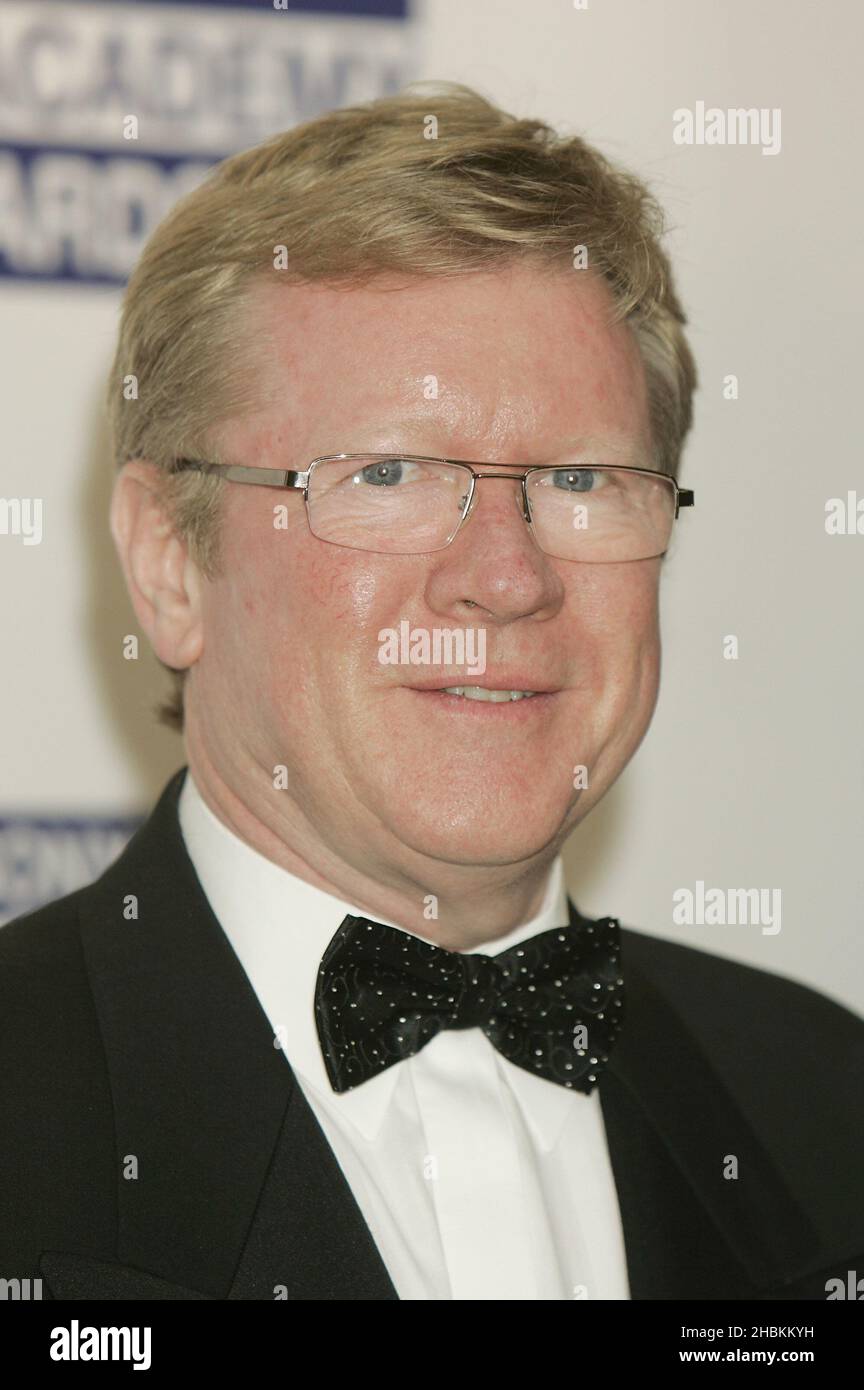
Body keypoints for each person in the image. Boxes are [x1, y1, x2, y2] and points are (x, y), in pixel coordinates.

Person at [1, 82, 861, 1302]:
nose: (506, 579)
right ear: (170, 561)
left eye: (580, 477)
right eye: (389, 473)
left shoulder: (823, 1100)